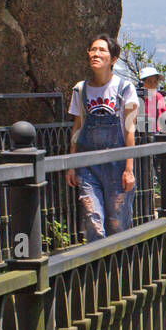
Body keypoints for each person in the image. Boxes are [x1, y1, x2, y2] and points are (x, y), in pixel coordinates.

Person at [67, 35, 139, 241]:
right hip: (88, 164)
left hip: (117, 164)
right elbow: (77, 128)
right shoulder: (80, 89)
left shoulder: (125, 88)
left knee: (117, 222)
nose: (95, 54)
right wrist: (72, 165)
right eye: (92, 49)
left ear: (113, 58)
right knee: (93, 219)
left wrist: (129, 168)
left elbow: (129, 129)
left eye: (102, 50)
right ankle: (98, 270)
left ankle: (118, 268)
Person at [138, 66, 166, 134]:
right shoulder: (136, 97)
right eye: (149, 81)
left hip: (156, 132)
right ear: (142, 83)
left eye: (155, 81)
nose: (152, 84)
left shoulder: (159, 97)